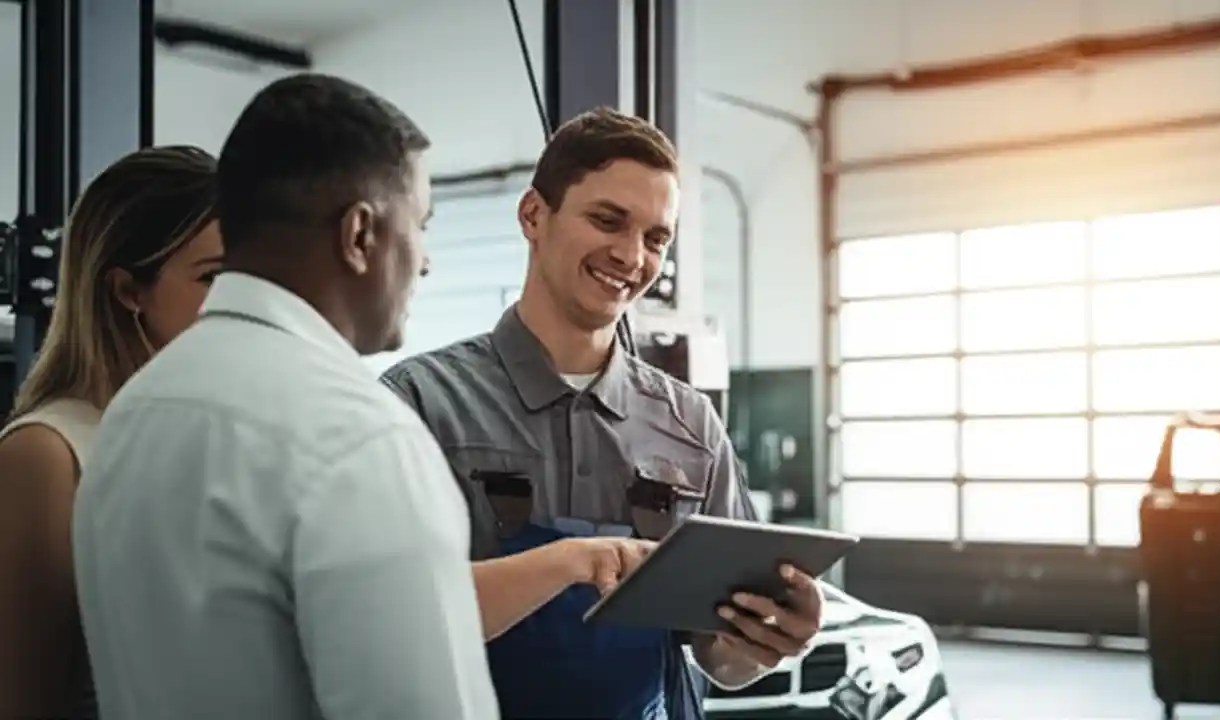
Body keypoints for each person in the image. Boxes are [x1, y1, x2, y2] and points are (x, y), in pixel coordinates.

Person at [72, 73, 497, 720]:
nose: (428, 262)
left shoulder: (133, 413)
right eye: (422, 225)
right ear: (360, 236)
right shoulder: (358, 436)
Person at [380, 107, 822, 719]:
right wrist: (568, 565)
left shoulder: (690, 425)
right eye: (607, 220)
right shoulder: (420, 404)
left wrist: (765, 640)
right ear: (534, 215)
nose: (631, 255)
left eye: (655, 238)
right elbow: (392, 622)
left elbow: (716, 657)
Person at [0, 145, 222, 719]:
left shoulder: (217, 439)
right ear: (128, 291)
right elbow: (26, 700)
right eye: (213, 277)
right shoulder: (49, 452)